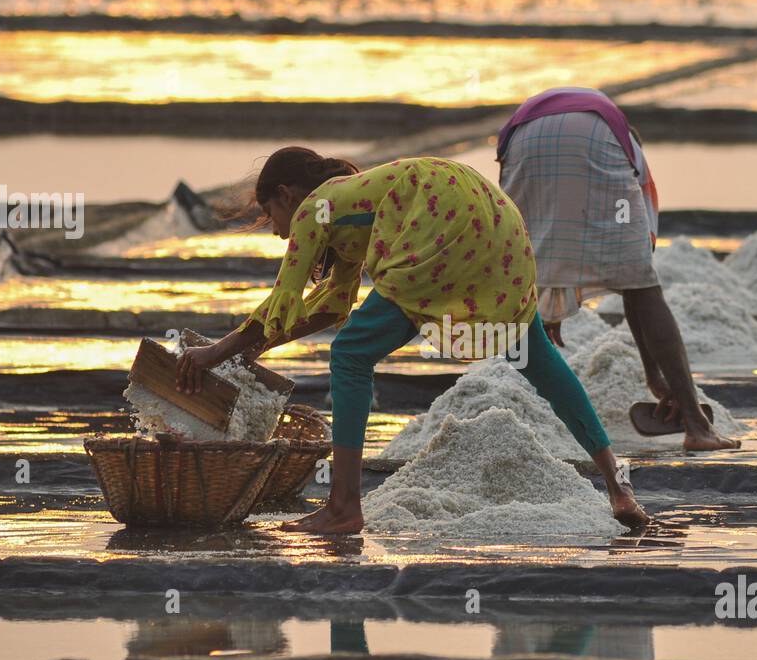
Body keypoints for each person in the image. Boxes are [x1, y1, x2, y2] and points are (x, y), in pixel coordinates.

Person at [176, 146, 648, 534]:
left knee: (349, 355)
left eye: (270, 215)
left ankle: (343, 506)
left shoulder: (312, 210)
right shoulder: (348, 204)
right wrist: (253, 348)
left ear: (285, 195)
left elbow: (282, 303)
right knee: (537, 359)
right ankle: (618, 488)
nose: (279, 233)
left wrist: (215, 353)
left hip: (442, 222)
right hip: (494, 220)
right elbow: (333, 307)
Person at [497, 87, 740, 452]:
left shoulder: (571, 115)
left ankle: (526, 420)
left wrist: (550, 307)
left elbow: (553, 237)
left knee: (525, 262)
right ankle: (696, 425)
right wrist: (655, 374)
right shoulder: (628, 147)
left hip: (520, 143)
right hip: (591, 137)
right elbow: (637, 281)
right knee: (645, 286)